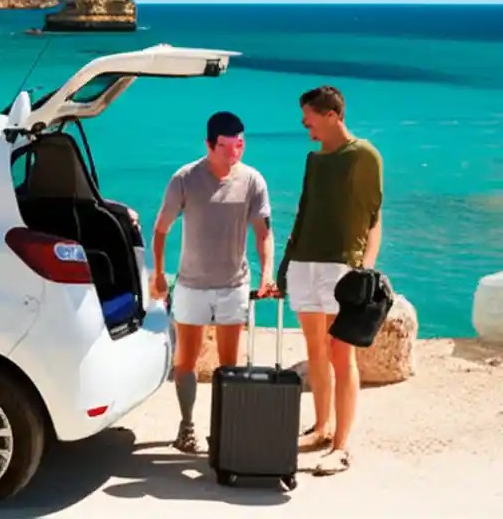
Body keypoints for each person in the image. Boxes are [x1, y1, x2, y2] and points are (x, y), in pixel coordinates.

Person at [150, 111, 276, 453]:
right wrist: (158, 274)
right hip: (191, 284)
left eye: (239, 145)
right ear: (209, 144)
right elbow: (161, 229)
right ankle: (187, 425)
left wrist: (267, 272)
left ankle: (224, 430)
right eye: (226, 147)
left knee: (229, 365)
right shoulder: (185, 179)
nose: (234, 153)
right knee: (185, 361)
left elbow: (263, 232)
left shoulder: (253, 181)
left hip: (234, 285)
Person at [280, 85, 383, 476]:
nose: (306, 125)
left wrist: (365, 269)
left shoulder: (364, 156)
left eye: (309, 118)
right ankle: (321, 429)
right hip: (305, 262)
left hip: (342, 266)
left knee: (342, 354)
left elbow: (374, 217)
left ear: (332, 115)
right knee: (316, 350)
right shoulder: (315, 159)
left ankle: (341, 446)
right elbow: (304, 212)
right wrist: (286, 263)